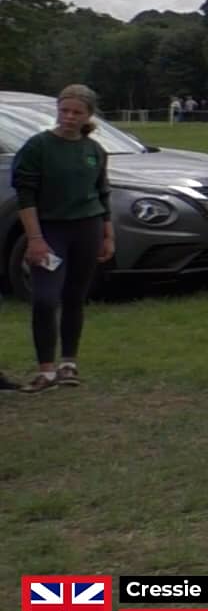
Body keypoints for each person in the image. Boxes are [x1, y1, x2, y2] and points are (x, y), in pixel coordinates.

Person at [9, 84, 115, 393]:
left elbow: (102, 194)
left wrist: (108, 235)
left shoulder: (94, 150)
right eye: (64, 110)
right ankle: (46, 370)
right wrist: (35, 238)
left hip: (87, 228)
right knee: (44, 298)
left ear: (88, 116)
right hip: (50, 230)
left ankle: (69, 363)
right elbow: (25, 195)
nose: (69, 117)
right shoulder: (38, 146)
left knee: (74, 297)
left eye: (76, 112)